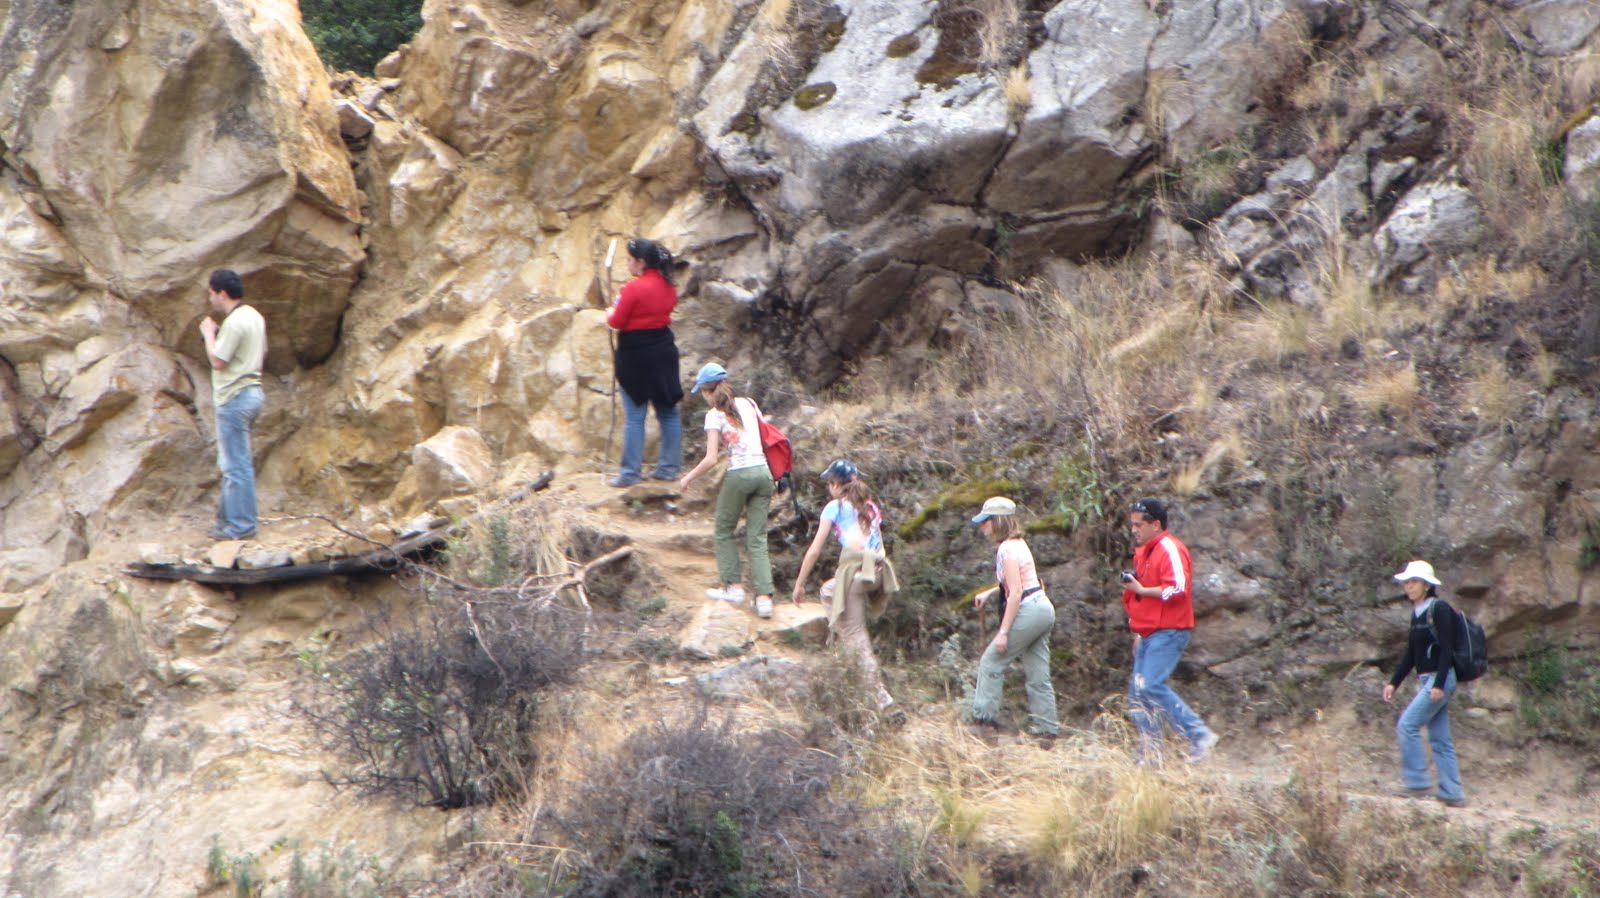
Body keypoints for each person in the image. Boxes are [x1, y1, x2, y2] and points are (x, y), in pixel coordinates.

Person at [792, 460, 899, 710]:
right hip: (878, 572)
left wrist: (799, 583)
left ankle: (879, 695)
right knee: (829, 591)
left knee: (855, 632)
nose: (829, 488)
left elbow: (815, 550)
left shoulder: (835, 507)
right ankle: (845, 645)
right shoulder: (870, 505)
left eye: (830, 483)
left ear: (836, 484)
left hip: (855, 573)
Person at [1120, 497, 1218, 763]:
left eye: (1139, 524)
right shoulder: (1145, 552)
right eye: (1133, 524)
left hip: (1170, 629)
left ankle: (1199, 735)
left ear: (1156, 524)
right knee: (1137, 692)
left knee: (1150, 685)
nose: (1134, 530)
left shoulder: (1170, 548)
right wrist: (1139, 633)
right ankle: (1151, 752)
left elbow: (1178, 588)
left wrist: (1140, 590)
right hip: (1150, 632)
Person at [679, 363, 775, 618]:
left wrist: (688, 477)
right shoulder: (750, 403)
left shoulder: (714, 414)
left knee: (723, 530)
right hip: (764, 474)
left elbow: (711, 459)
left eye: (702, 391)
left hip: (740, 474)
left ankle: (733, 587)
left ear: (709, 391)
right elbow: (765, 437)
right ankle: (764, 599)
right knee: (757, 537)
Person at [968, 497, 1059, 742]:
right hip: (1043, 608)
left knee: (991, 662)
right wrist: (990, 592)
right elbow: (1023, 583)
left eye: (985, 521)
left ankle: (983, 724)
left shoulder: (1006, 549)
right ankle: (1046, 731)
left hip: (1029, 610)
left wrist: (1004, 631)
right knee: (1038, 674)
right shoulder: (1019, 544)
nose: (982, 527)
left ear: (997, 521)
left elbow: (1017, 592)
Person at [1382, 559, 1467, 808]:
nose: (1409, 587)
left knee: (1407, 725)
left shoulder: (1438, 608)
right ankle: (1452, 792)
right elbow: (1412, 653)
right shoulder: (1417, 612)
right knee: (1440, 738)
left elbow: (1447, 648)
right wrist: (1394, 682)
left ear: (1427, 585)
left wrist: (1439, 684)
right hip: (1428, 679)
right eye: (1407, 582)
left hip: (1439, 679)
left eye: (1414, 582)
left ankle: (1417, 782)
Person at [606, 237, 683, 487]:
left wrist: (610, 311)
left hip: (635, 357)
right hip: (663, 353)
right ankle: (669, 468)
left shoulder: (633, 289)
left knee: (635, 417)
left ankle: (630, 473)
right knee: (668, 412)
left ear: (640, 263)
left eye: (629, 259)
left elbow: (616, 321)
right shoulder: (669, 286)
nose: (627, 263)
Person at [198, 268, 267, 541]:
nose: (210, 298)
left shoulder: (236, 321)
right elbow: (261, 352)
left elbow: (217, 360)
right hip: (253, 392)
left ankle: (242, 526)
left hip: (234, 398)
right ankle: (226, 522)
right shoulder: (254, 317)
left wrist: (208, 334)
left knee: (236, 465)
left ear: (222, 294)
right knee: (233, 462)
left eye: (211, 293)